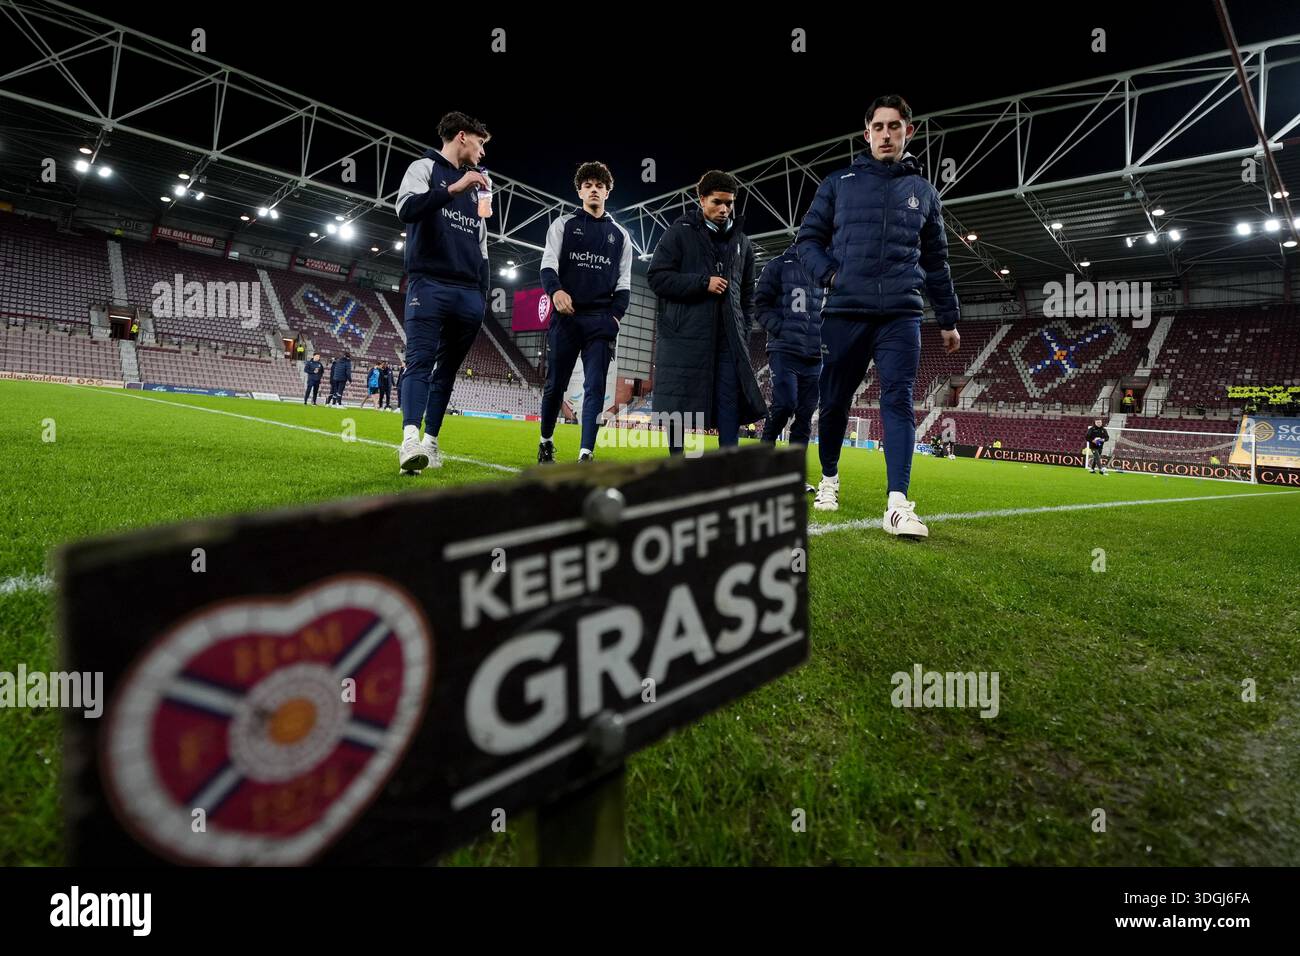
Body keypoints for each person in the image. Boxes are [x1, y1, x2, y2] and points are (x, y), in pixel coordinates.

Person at [797, 94, 960, 538]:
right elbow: (806, 241)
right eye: (879, 127)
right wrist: (830, 275)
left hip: (901, 315)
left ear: (910, 130)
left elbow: (937, 261)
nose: (887, 135)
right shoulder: (838, 183)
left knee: (899, 400)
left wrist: (948, 318)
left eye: (895, 126)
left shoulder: (924, 192)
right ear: (866, 132)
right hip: (845, 312)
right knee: (833, 403)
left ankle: (897, 504)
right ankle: (829, 479)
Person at [394, 111, 492, 475]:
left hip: (469, 292)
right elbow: (406, 210)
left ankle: (431, 442)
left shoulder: (481, 184)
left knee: (447, 370)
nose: (482, 152)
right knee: (419, 361)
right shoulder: (423, 168)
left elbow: (481, 242)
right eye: (480, 143)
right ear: (463, 137)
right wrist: (454, 188)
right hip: (429, 283)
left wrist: (482, 291)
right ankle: (408, 441)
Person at [647, 170, 765, 454]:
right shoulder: (679, 232)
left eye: (729, 203)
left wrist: (743, 327)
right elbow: (657, 277)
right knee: (679, 400)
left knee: (729, 403)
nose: (724, 209)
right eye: (717, 202)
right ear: (701, 200)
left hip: (729, 339)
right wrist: (702, 283)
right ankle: (677, 462)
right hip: (685, 335)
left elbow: (748, 295)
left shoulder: (742, 243)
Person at [537, 161, 632, 465]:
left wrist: (614, 318)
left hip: (599, 323)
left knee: (595, 387)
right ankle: (545, 441)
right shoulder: (562, 224)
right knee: (555, 386)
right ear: (579, 191)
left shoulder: (620, 235)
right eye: (588, 185)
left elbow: (624, 282)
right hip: (566, 319)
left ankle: (585, 453)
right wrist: (556, 292)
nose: (594, 189)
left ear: (607, 192)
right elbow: (548, 265)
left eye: (600, 185)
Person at [755, 245, 823, 446]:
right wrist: (780, 328)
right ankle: (765, 453)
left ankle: (794, 471)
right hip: (785, 349)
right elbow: (760, 304)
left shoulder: (826, 270)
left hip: (816, 355)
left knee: (805, 415)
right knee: (785, 405)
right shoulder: (778, 266)